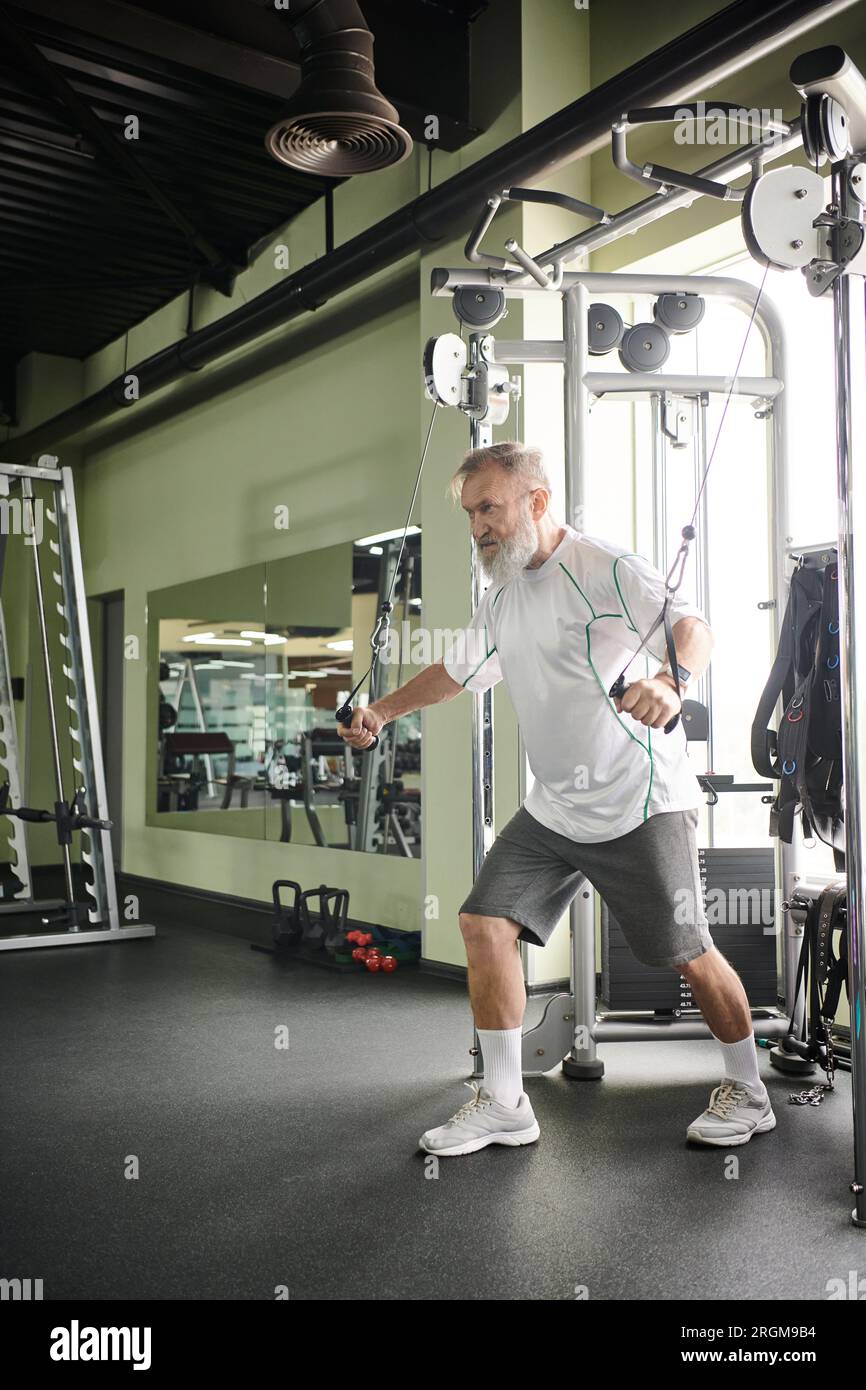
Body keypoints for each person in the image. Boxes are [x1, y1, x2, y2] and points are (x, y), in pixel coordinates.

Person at [337, 441, 776, 1157]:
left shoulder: (604, 568)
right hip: (555, 810)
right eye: (470, 513)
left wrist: (672, 682)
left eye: (489, 507)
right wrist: (382, 712)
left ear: (536, 502)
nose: (478, 526)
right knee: (483, 923)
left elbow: (694, 627)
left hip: (639, 802)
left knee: (687, 951)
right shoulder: (503, 592)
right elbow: (457, 671)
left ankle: (749, 1093)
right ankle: (507, 1103)